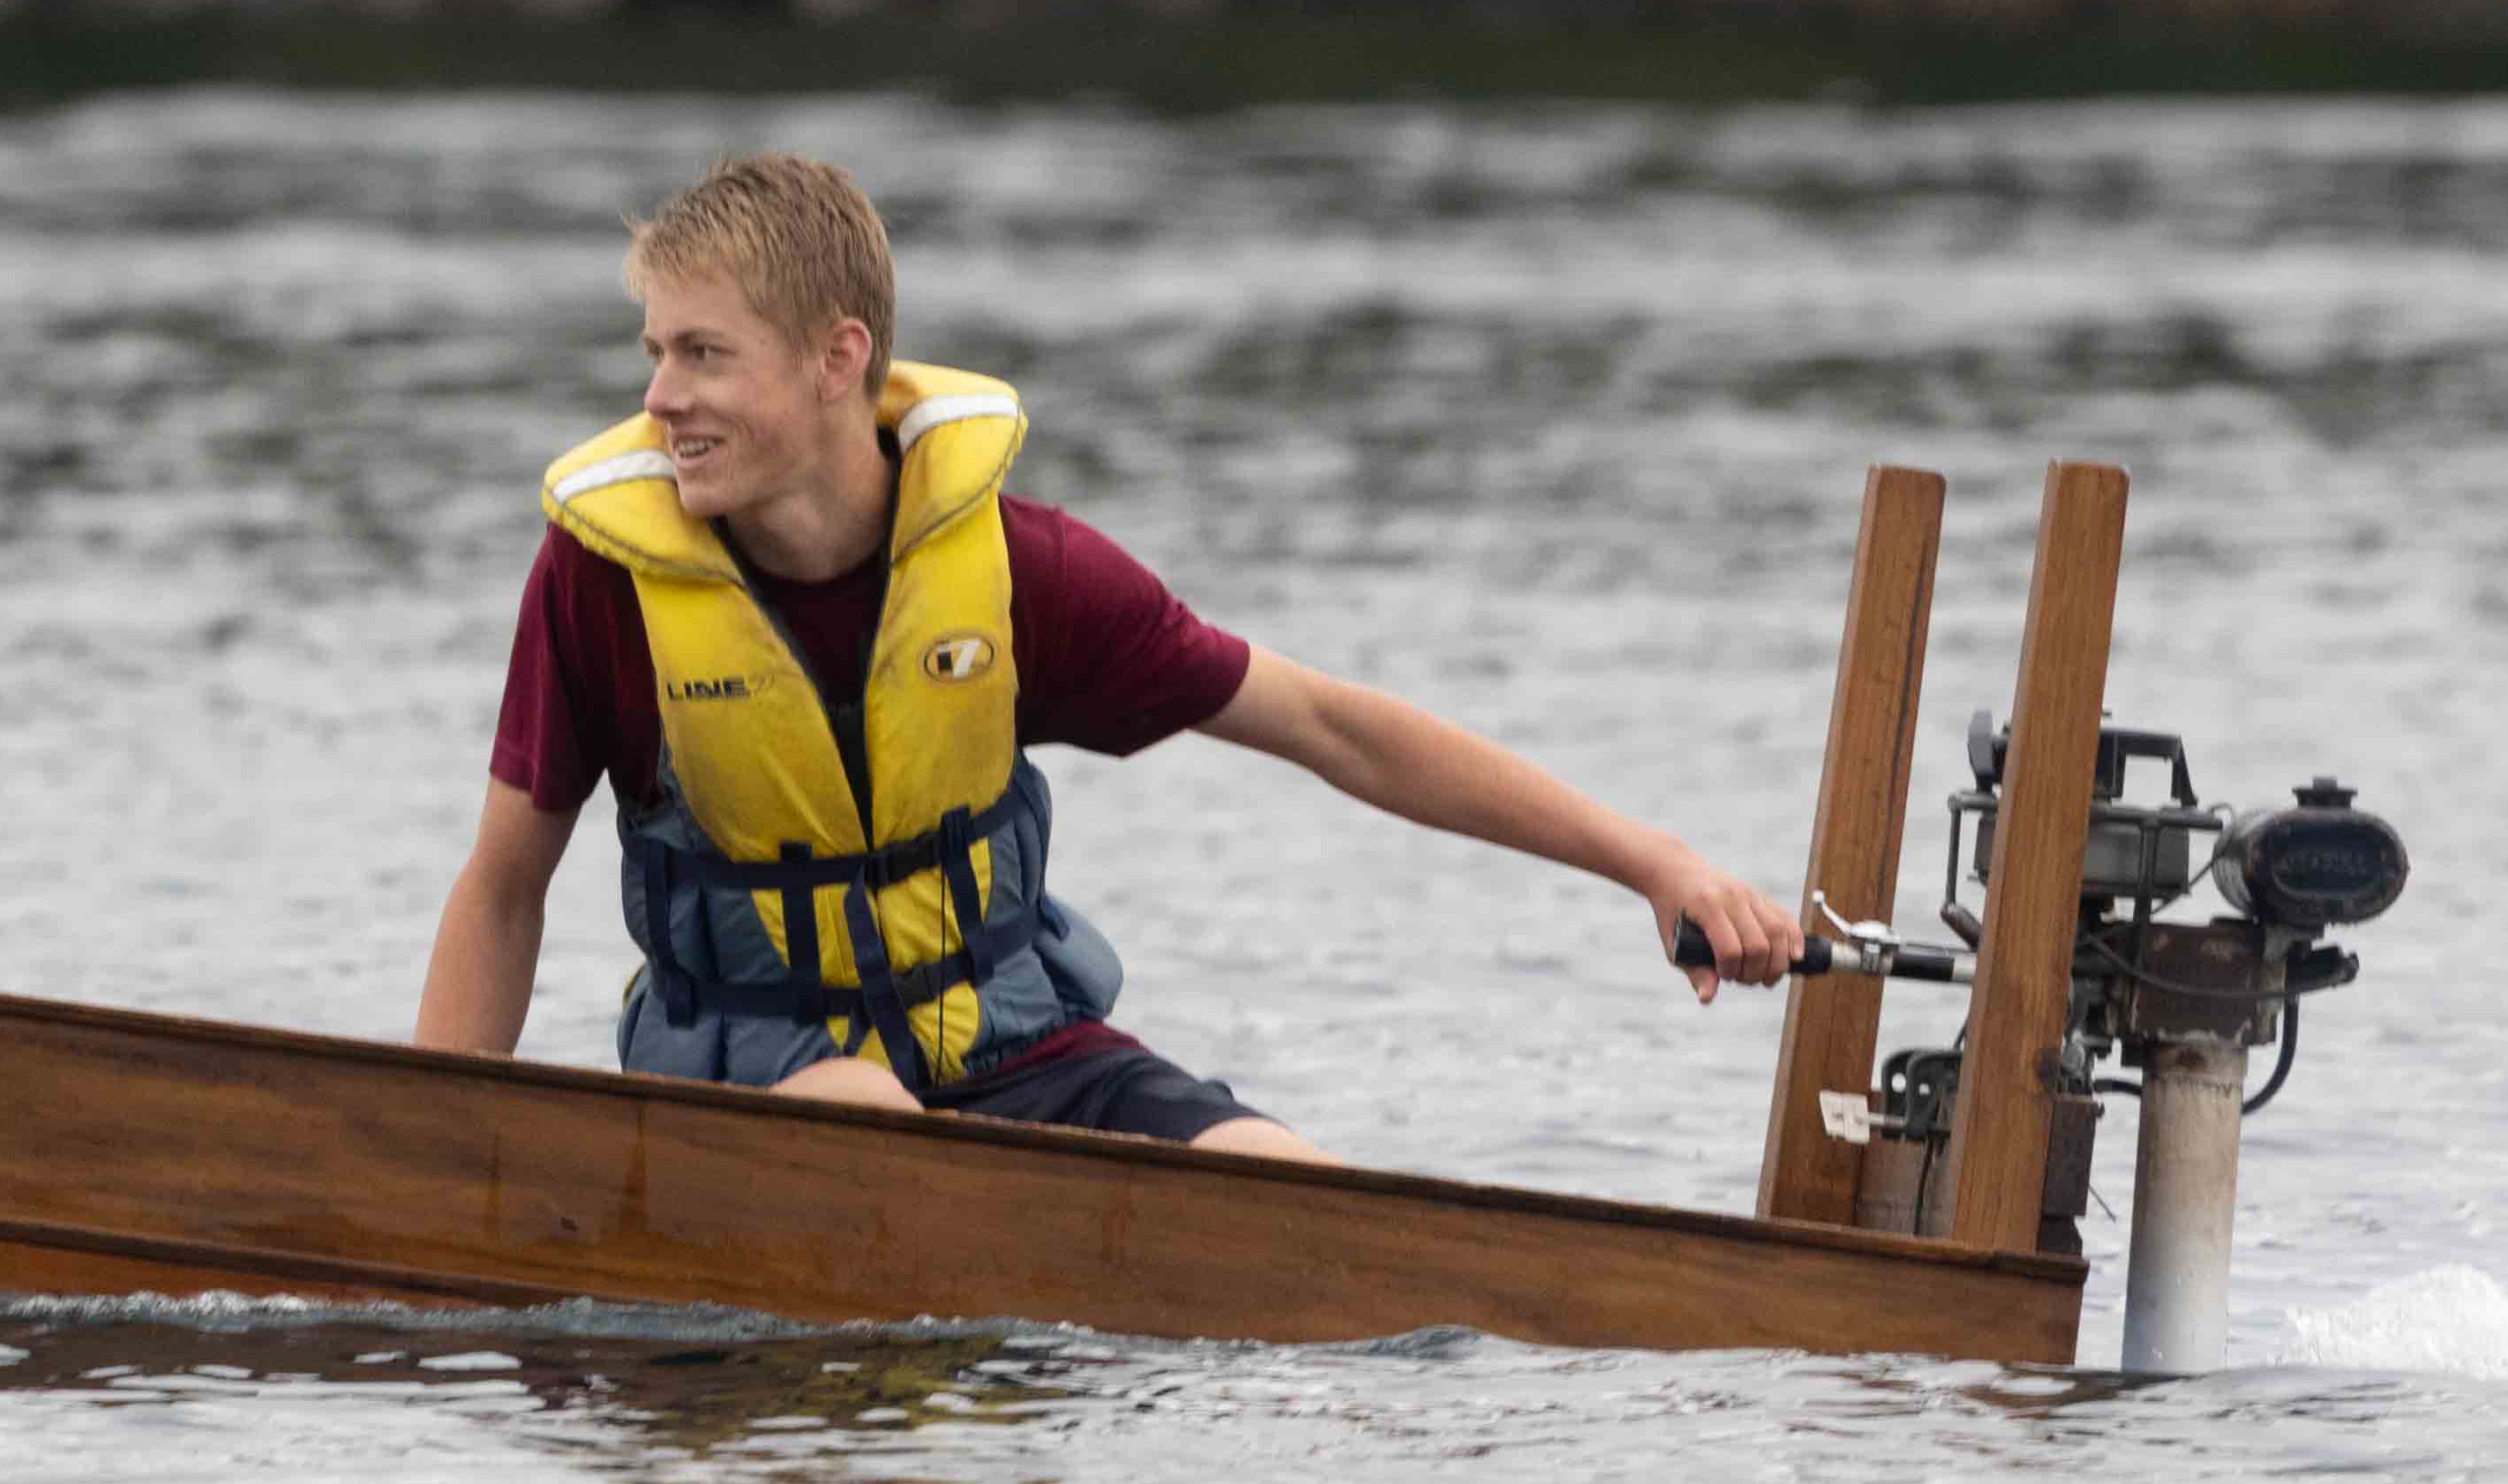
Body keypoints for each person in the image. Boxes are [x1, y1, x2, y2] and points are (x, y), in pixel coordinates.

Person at [414, 154, 1798, 1162]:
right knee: (871, 1125)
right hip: (754, 1075)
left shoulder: (1021, 572)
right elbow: (501, 887)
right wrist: (423, 1163)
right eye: (656, 352)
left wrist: (1652, 861)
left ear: (837, 359)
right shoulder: (602, 580)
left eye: (704, 355)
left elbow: (1331, 728)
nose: (658, 397)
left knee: (1292, 1187)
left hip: (1011, 1054)